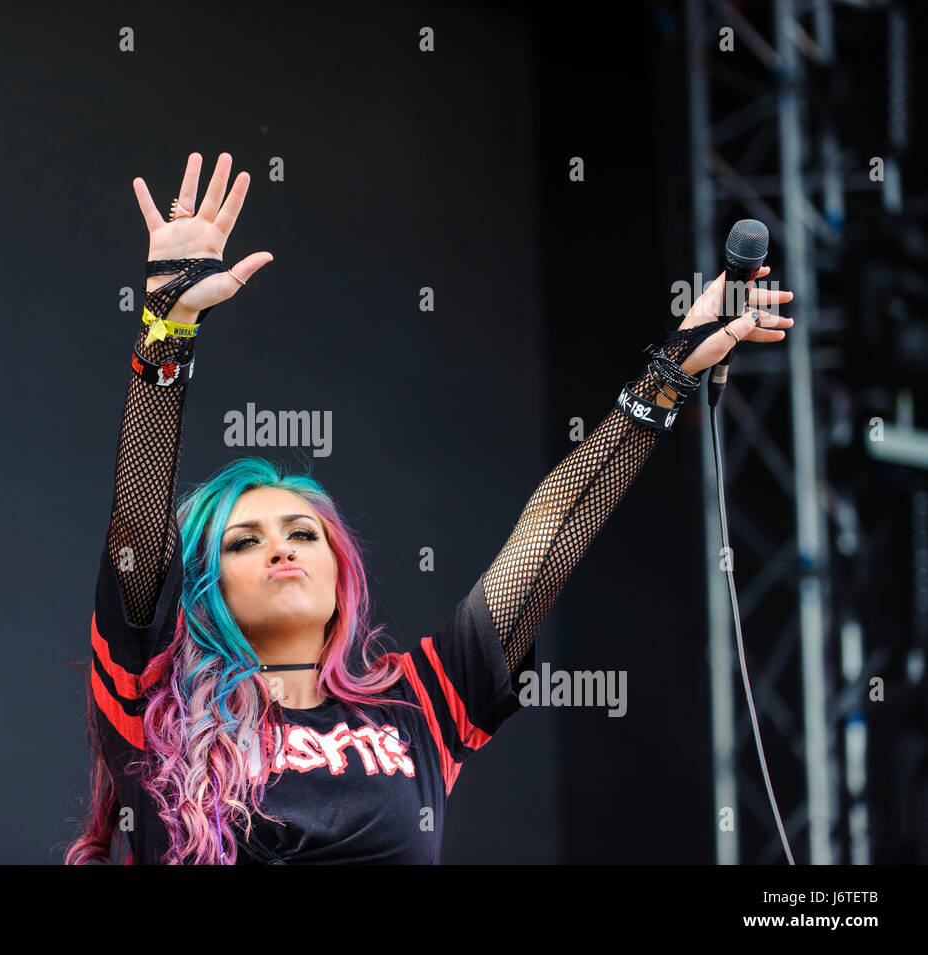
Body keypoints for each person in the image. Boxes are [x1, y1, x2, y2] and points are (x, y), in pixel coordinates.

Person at [61, 152, 795, 864]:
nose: (280, 548)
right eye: (242, 541)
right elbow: (137, 524)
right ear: (198, 586)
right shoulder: (155, 700)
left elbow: (547, 536)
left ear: (340, 571)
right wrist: (168, 326)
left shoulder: (418, 706)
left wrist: (671, 374)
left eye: (302, 531)